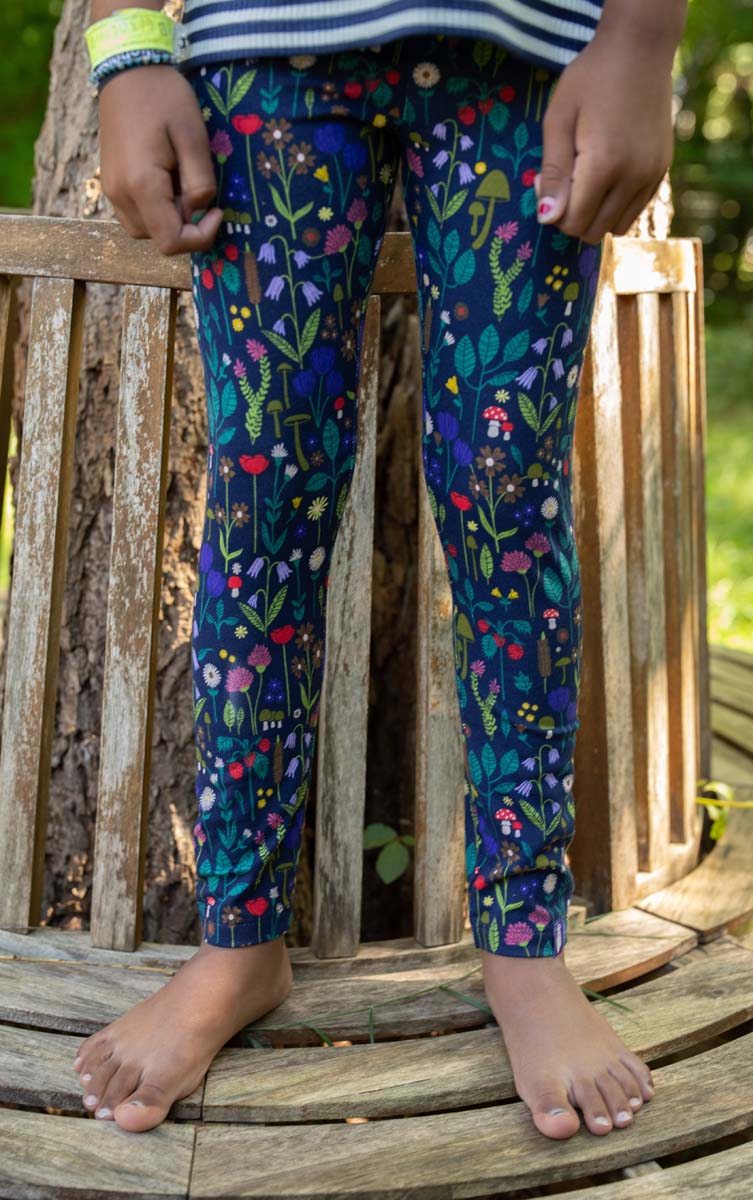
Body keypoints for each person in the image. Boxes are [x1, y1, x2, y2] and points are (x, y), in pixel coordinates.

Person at [73, 0, 687, 1139]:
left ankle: (522, 943)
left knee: (507, 500)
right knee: (263, 501)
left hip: (526, 54)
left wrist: (642, 39)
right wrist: (125, 46)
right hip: (264, 47)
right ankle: (240, 939)